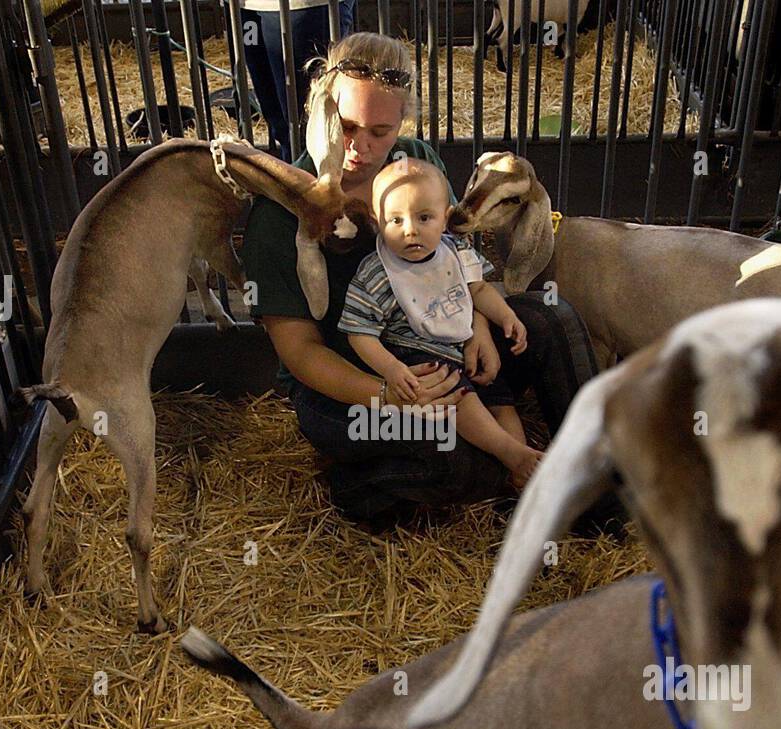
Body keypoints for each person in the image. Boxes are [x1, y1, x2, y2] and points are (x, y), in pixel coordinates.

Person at [239, 30, 623, 532]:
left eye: (381, 129)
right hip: (346, 384)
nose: (361, 146)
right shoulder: (279, 211)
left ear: (402, 121)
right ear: (321, 109)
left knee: (553, 317)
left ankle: (599, 496)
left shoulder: (415, 162)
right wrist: (388, 396)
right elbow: (301, 353)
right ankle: (353, 492)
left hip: (440, 347)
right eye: (347, 124)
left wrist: (477, 332)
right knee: (456, 456)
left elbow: (455, 260)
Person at [339, 158, 544, 487]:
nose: (410, 230)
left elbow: (478, 288)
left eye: (424, 218)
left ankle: (520, 474)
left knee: (500, 399)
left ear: (446, 218)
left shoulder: (456, 251)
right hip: (417, 356)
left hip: (462, 347)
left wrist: (506, 316)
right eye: (395, 220)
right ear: (377, 222)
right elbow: (359, 333)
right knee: (459, 395)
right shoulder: (375, 273)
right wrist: (392, 370)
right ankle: (513, 455)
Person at [237, 0, 357, 162]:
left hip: (304, 6)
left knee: (309, 121)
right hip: (246, 7)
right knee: (278, 119)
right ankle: (295, 175)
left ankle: (310, 179)